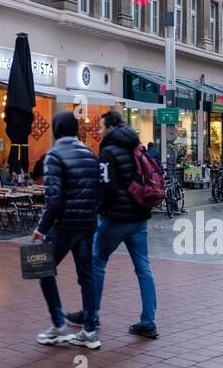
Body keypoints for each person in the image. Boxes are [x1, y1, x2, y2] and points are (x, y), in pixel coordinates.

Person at [71, 110, 158, 340]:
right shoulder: (136, 146)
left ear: (110, 127)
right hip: (139, 216)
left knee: (96, 261)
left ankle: (92, 313)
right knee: (143, 268)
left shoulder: (108, 151)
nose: (98, 131)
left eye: (100, 127)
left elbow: (106, 187)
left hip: (115, 218)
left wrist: (100, 209)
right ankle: (148, 321)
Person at [33, 110, 101, 349]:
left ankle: (59, 325)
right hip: (87, 225)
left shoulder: (54, 155)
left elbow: (54, 198)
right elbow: (98, 192)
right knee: (86, 277)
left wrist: (42, 228)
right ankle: (90, 331)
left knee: (42, 268)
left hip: (64, 225)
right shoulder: (90, 154)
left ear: (55, 129)